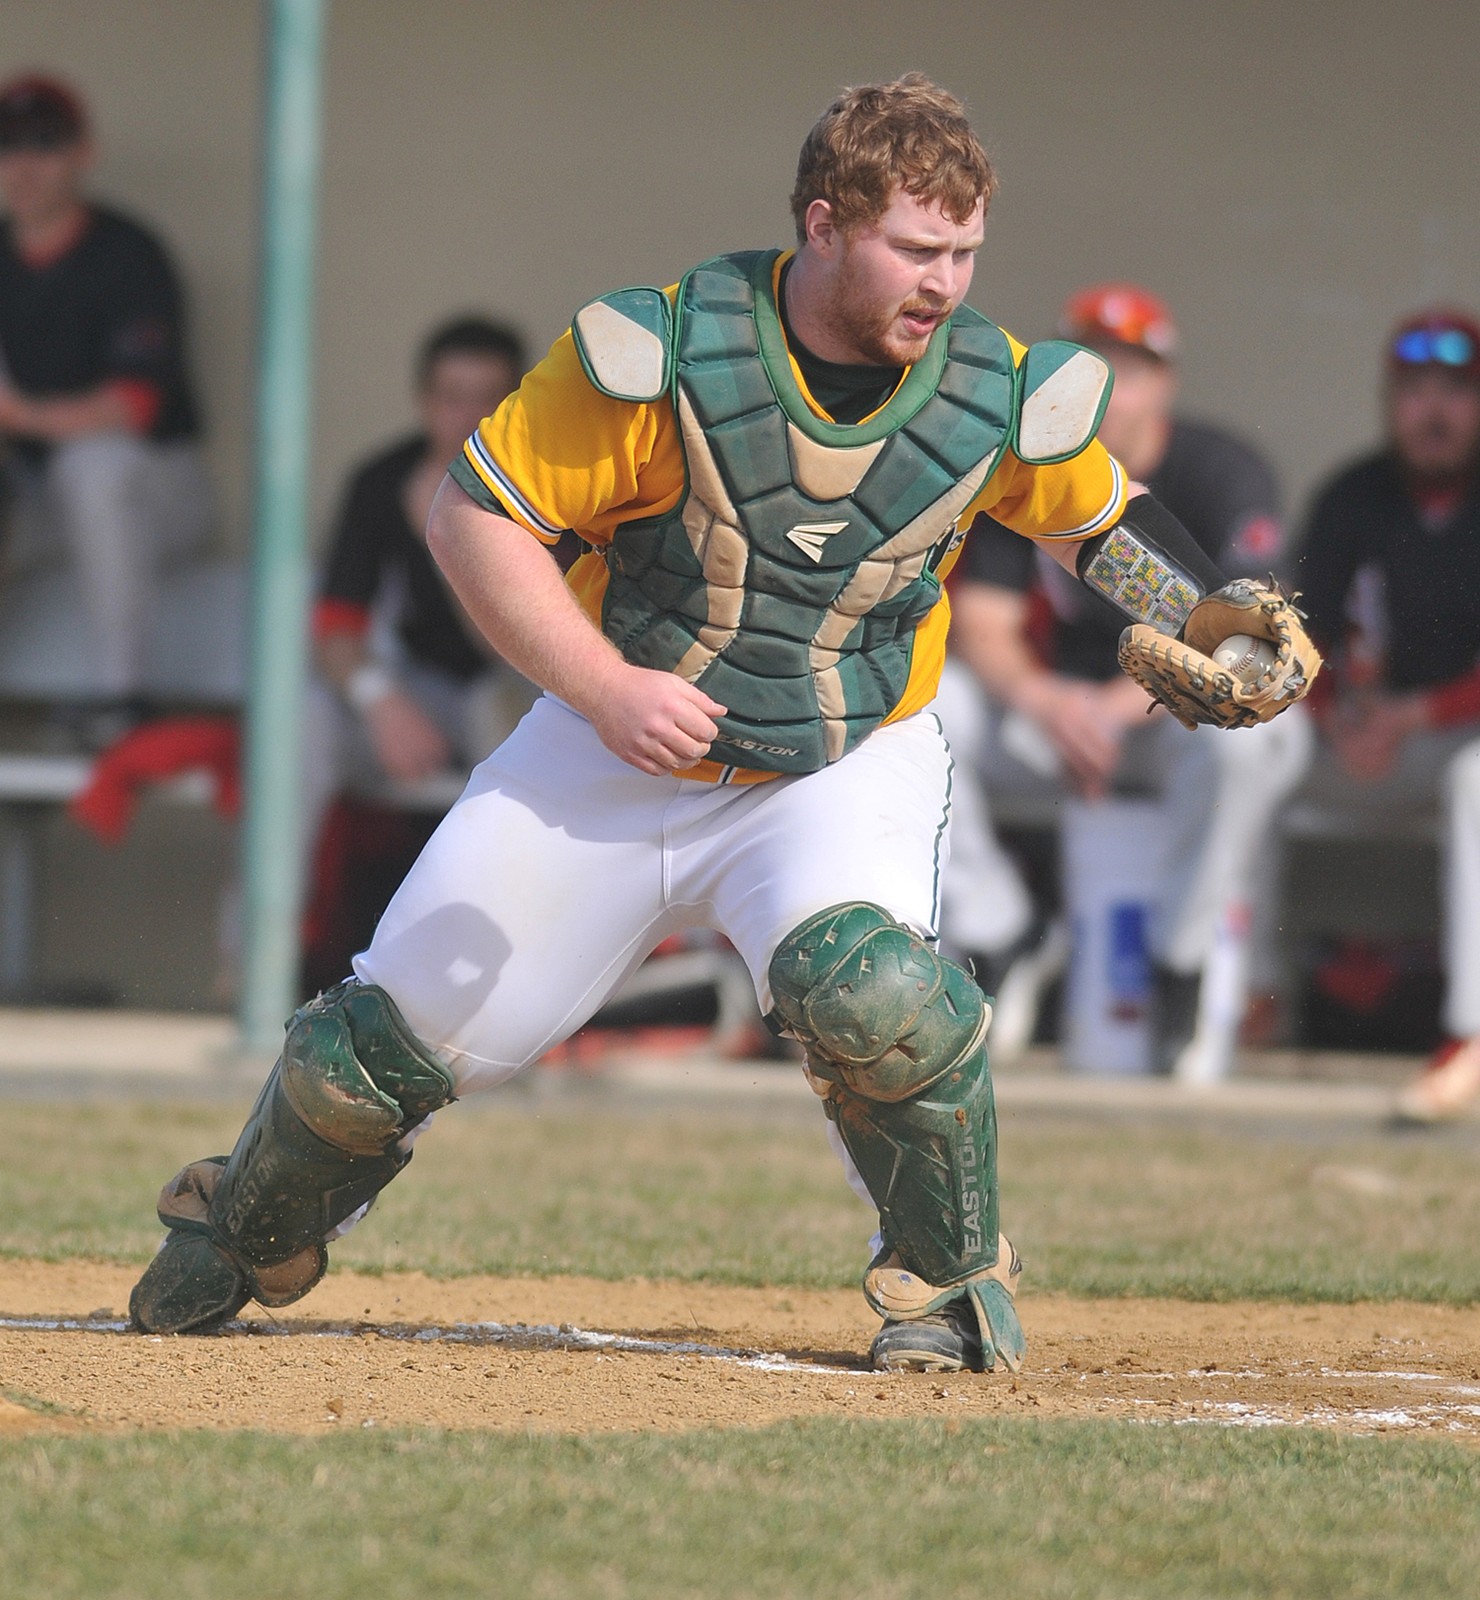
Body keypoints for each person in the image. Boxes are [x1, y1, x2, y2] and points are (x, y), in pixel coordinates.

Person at [127, 76, 1315, 1374]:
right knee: (368, 1051)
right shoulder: (661, 356)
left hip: (840, 754)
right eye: (915, 248)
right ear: (823, 223)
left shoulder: (989, 390)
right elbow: (474, 521)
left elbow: (1097, 522)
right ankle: (246, 1229)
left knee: (875, 994)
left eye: (965, 251)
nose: (945, 282)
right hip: (615, 739)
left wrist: (1210, 617)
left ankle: (948, 1283)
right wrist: (602, 686)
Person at [936, 284, 1312, 1071]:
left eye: (1128, 372)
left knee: (1249, 738)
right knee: (929, 705)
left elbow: (1249, 640)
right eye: (1092, 368)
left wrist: (1110, 707)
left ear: (1163, 385)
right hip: (1059, 722)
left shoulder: (1219, 467)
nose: (1107, 391)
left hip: (1174, 720)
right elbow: (983, 625)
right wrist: (1047, 701)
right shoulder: (1030, 461)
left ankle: (1181, 959)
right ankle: (998, 927)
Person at [1294, 308, 1480, 1123]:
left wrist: (1417, 714)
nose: (1434, 410)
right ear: (1389, 401)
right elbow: (1293, 632)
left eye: (1456, 390)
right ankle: (1239, 999)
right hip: (1358, 740)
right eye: (1415, 391)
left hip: (1454, 737)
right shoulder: (1353, 494)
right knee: (1244, 747)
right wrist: (1332, 712)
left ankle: (1469, 1037)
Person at [300, 316, 537, 951]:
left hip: (517, 694)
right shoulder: (384, 478)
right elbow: (335, 627)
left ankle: (510, 955)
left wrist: (455, 539)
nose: (468, 417)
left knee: (505, 720)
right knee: (306, 718)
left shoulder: (549, 480)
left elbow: (526, 653)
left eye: (488, 398)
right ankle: (256, 952)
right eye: (451, 397)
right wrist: (379, 698)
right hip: (423, 692)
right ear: (424, 402)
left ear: (517, 403)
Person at [0, 74, 210, 745]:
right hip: (34, 500)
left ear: (82, 153)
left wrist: (17, 415)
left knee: (93, 466)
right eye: (7, 145)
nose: (23, 165)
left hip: (156, 490)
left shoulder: (128, 253)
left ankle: (122, 697)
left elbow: (131, 408)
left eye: (43, 144)